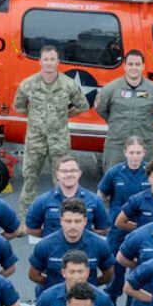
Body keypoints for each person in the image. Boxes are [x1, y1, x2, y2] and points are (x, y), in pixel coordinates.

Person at [14, 45, 92, 204]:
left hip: (59, 140)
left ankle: (63, 215)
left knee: (63, 180)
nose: (49, 63)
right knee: (29, 179)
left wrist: (64, 115)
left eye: (52, 59)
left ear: (58, 62)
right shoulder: (28, 84)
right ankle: (26, 219)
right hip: (35, 140)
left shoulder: (68, 84)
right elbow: (19, 106)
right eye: (46, 59)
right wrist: (35, 117)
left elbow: (83, 105)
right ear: (40, 62)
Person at [94, 49, 153, 162]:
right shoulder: (110, 89)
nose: (134, 67)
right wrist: (115, 122)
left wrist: (145, 122)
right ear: (124, 66)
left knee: (144, 178)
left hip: (143, 145)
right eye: (130, 64)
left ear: (143, 66)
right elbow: (100, 109)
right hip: (117, 146)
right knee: (115, 178)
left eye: (137, 64)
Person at [25, 159, 113, 244]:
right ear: (57, 174)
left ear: (79, 173)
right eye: (64, 171)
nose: (69, 174)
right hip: (53, 251)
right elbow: (31, 228)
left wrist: (85, 235)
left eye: (73, 170)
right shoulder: (42, 201)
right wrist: (50, 236)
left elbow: (103, 228)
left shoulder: (94, 200)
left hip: (83, 252)